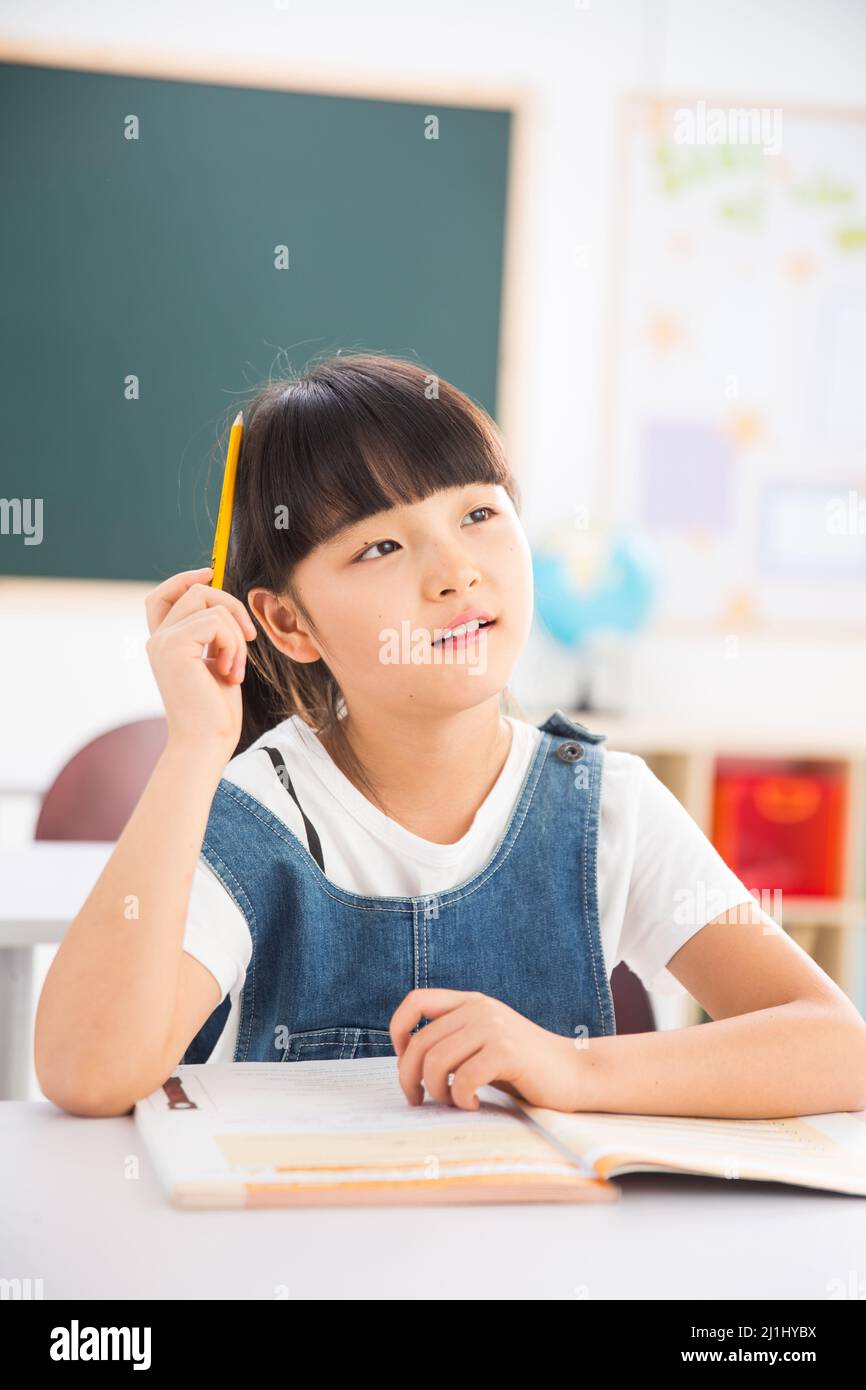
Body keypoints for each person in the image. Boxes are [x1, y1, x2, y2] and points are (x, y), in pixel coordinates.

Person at [35, 353, 866, 1119]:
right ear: (287, 623)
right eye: (382, 545)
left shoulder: (610, 806)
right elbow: (85, 1073)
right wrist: (193, 750)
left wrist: (575, 1070)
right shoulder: (262, 811)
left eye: (477, 512)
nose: (455, 571)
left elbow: (837, 1049)